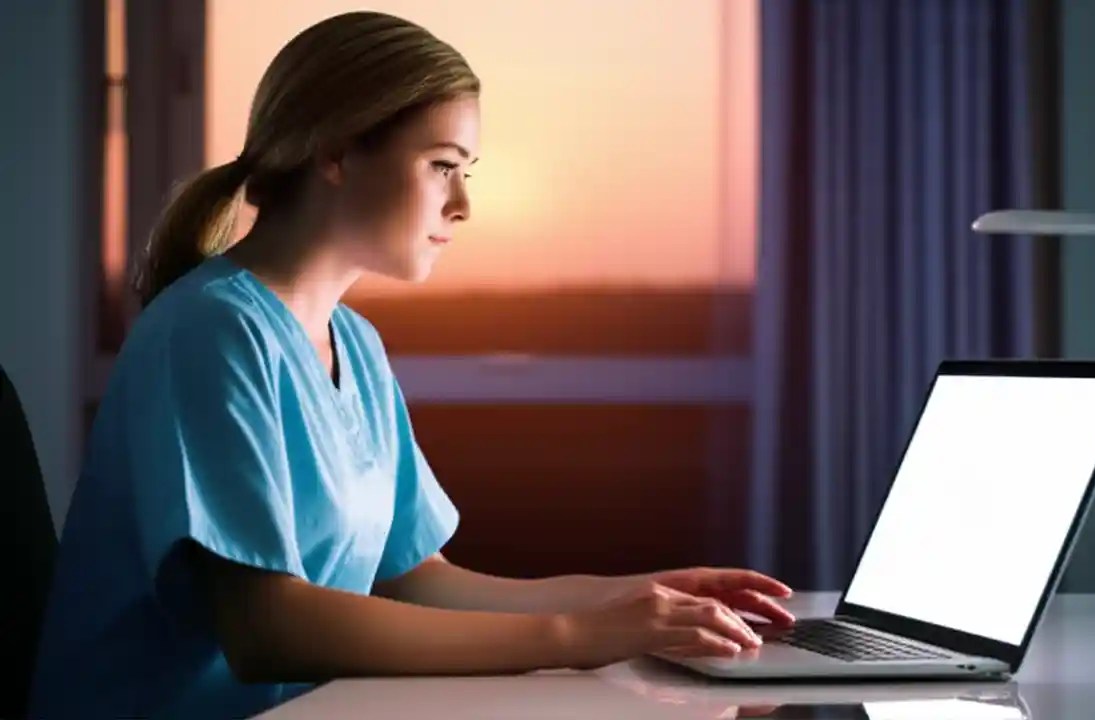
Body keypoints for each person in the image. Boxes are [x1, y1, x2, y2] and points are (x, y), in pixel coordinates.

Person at [27, 11, 794, 719]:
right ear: (335, 150)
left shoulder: (353, 344)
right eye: (441, 165)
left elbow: (418, 581)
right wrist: (580, 637)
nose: (462, 205)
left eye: (469, 171)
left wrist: (642, 599)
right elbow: (267, 628)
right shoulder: (211, 332)